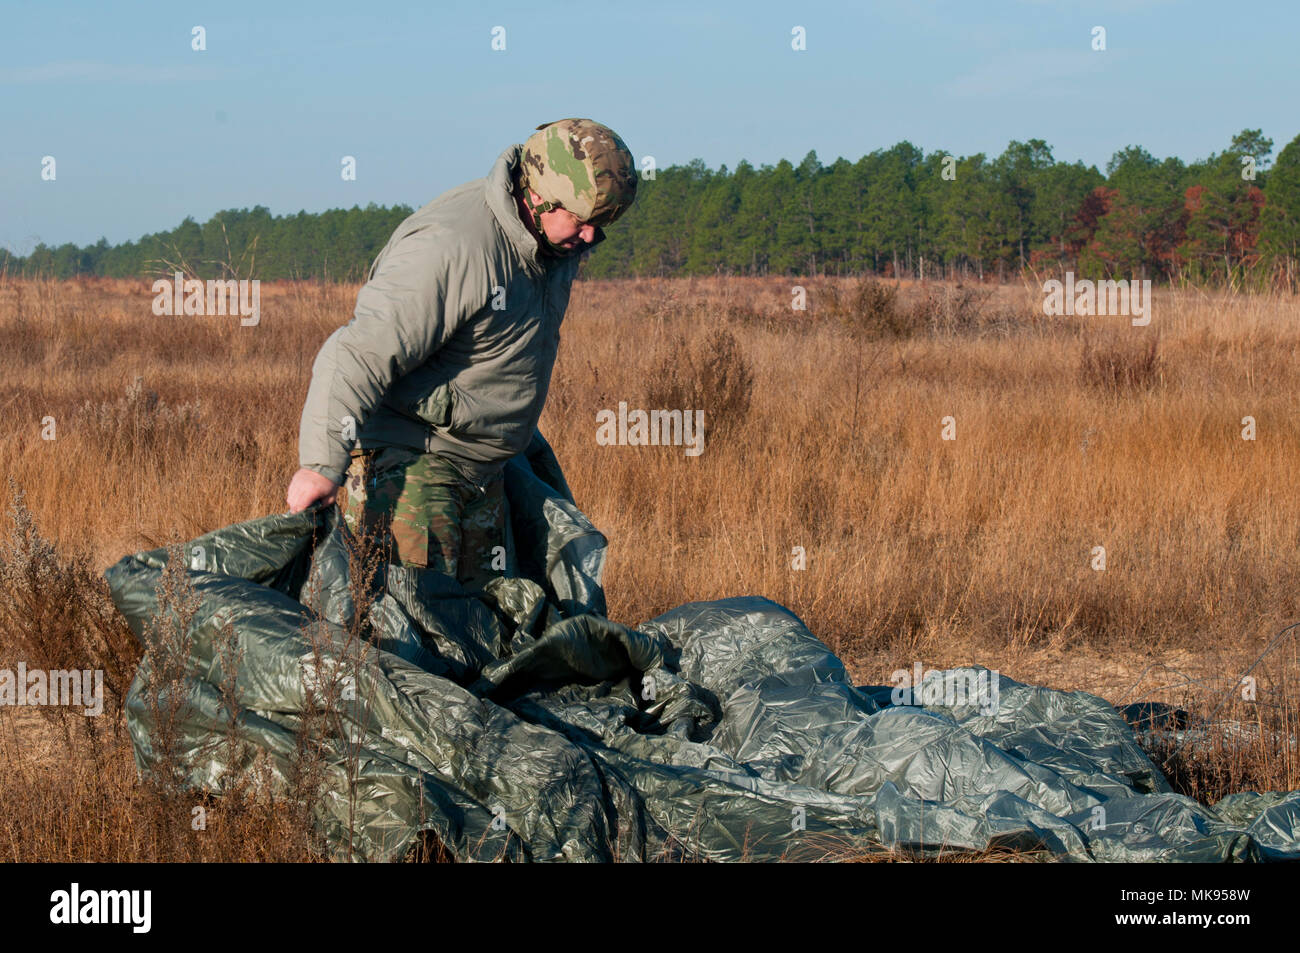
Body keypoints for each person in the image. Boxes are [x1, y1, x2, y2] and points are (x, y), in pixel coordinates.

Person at [285, 118, 637, 591]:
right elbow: (355, 354)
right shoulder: (455, 245)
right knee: (413, 632)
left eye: (604, 223)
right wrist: (320, 466)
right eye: (582, 220)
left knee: (482, 635)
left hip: (485, 471)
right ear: (538, 196)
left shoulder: (552, 245)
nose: (592, 238)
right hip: (415, 468)